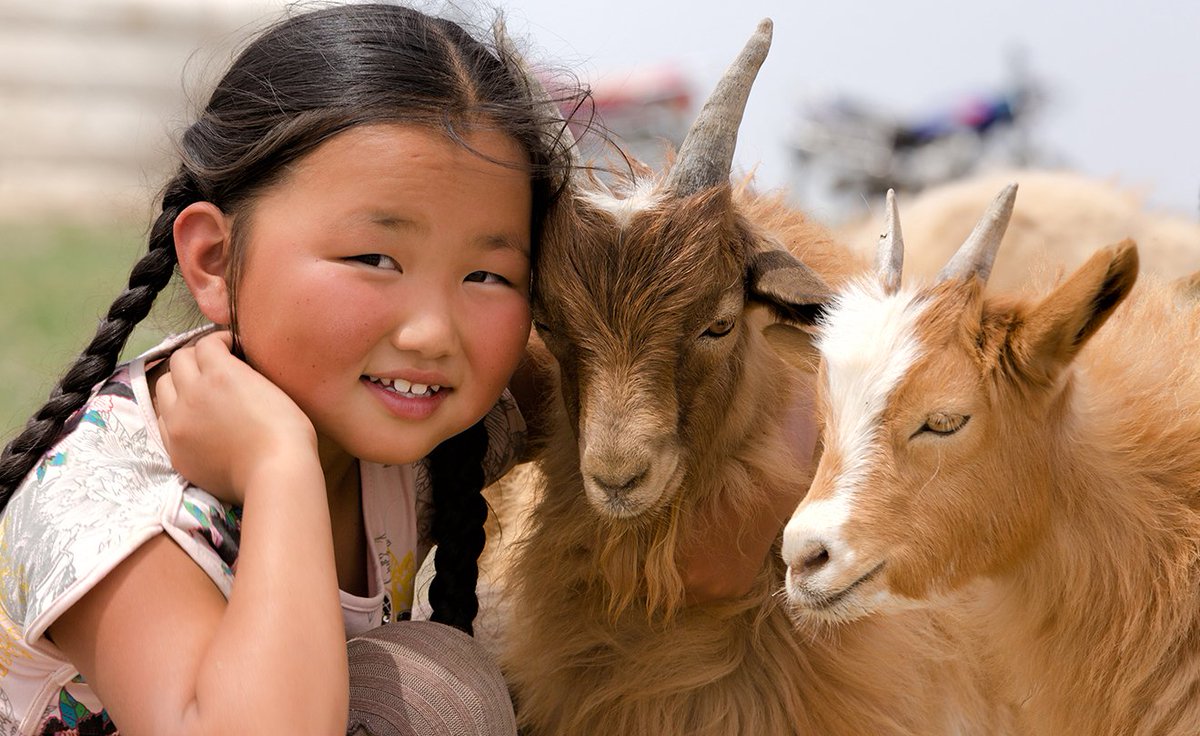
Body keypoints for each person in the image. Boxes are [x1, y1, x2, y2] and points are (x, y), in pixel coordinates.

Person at [0, 4, 814, 735]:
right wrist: (278, 467)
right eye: (375, 257)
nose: (433, 332)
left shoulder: (428, 414)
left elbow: (761, 437)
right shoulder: (114, 501)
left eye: (489, 275)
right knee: (431, 697)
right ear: (215, 260)